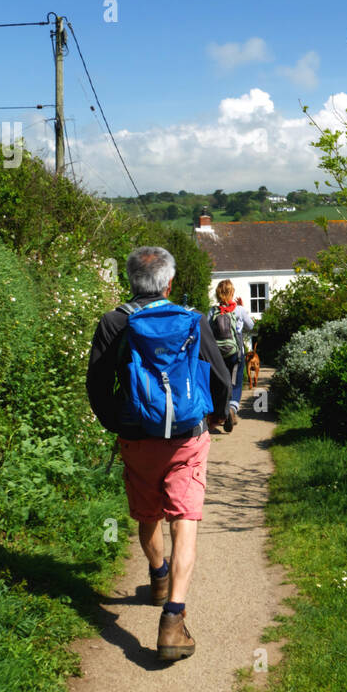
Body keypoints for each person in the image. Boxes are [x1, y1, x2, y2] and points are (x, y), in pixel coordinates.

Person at [86, 247, 231, 662]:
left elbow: (97, 385)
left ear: (129, 281)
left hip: (136, 436)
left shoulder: (114, 322)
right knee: (184, 522)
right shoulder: (192, 319)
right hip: (187, 436)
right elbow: (219, 376)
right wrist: (219, 415)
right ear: (169, 283)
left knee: (148, 515)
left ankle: (159, 576)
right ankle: (173, 619)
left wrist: (117, 424)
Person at [207, 280, 256, 432]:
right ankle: (232, 410)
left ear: (217, 293)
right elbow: (251, 326)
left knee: (220, 383)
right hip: (236, 353)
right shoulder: (239, 310)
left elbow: (207, 330)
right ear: (232, 293)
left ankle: (219, 412)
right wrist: (242, 308)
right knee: (236, 383)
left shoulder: (213, 311)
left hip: (217, 354)